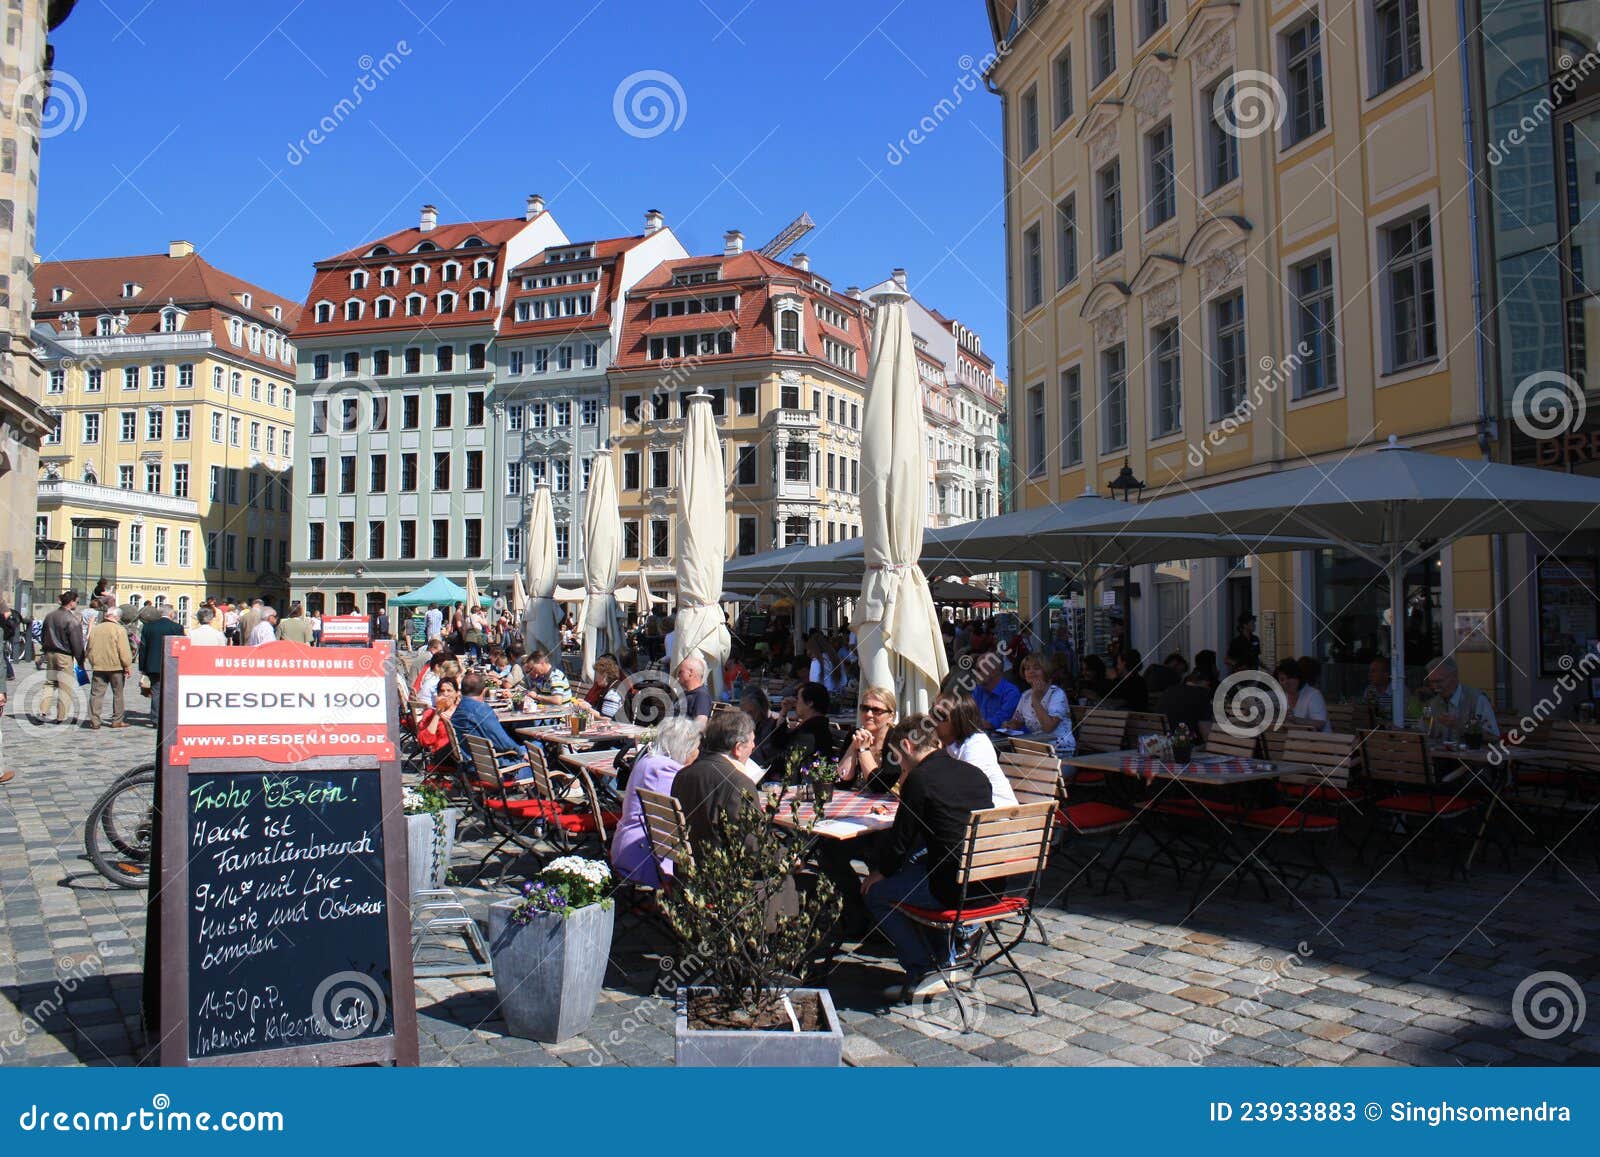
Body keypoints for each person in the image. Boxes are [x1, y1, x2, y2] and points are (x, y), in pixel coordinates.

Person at [863, 716, 999, 1001]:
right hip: (991, 884)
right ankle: (943, 961)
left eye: (897, 758)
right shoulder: (973, 774)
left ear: (906, 745)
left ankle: (924, 969)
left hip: (953, 889)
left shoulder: (920, 779)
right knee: (918, 870)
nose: (897, 764)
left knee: (876, 893)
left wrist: (880, 872)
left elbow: (900, 840)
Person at [611, 716, 701, 887]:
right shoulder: (668, 771)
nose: (697, 754)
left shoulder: (647, 761)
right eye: (695, 748)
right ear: (684, 747)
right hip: (648, 859)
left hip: (629, 847)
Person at [671, 710, 761, 851]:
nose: (754, 746)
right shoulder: (738, 782)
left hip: (686, 867)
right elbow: (752, 845)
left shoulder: (683, 774)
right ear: (738, 748)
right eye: (752, 741)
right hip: (722, 869)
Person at [932, 685, 1016, 806]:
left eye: (939, 715)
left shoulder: (975, 746)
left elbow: (964, 792)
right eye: (932, 711)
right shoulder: (948, 744)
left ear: (958, 720)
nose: (931, 719)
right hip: (971, 816)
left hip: (998, 818)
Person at [451, 672, 532, 775]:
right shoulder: (481, 709)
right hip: (492, 769)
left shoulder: (460, 708)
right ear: (484, 691)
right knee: (536, 747)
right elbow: (503, 743)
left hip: (470, 763)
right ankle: (551, 787)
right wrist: (521, 753)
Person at [1007, 655, 1075, 754]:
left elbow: (1048, 727)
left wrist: (1035, 699)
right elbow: (1017, 721)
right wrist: (1010, 725)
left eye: (1036, 668)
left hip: (1060, 752)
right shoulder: (1026, 695)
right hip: (1036, 750)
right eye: (1027, 668)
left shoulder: (1056, 694)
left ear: (1046, 671)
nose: (1031, 671)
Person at [1423, 657, 1499, 742]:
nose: (1435, 687)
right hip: (1440, 754)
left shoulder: (1476, 699)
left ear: (1454, 677)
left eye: (1439, 681)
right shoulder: (1434, 703)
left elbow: (1493, 737)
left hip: (1471, 755)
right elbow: (1422, 732)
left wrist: (1460, 726)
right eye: (1431, 682)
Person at [838, 685, 897, 788]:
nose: (869, 714)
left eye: (876, 710)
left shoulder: (896, 739)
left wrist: (863, 749)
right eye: (865, 708)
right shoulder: (854, 735)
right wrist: (854, 745)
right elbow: (841, 780)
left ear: (890, 716)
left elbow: (879, 785)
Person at [40, 590, 86, 724]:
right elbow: (77, 642)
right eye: (76, 602)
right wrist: (81, 660)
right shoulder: (71, 620)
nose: (77, 604)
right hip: (64, 655)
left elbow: (43, 635)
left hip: (50, 653)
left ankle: (43, 710)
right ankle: (61, 716)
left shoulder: (49, 616)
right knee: (64, 685)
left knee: (49, 683)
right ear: (71, 602)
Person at [85, 606, 133, 729]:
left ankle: (94, 720)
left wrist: (93, 662)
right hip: (116, 667)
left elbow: (89, 648)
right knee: (118, 694)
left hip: (99, 667)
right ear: (117, 617)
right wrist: (127, 665)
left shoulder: (95, 629)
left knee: (96, 694)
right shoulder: (119, 630)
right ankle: (117, 720)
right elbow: (124, 651)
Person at [138, 606, 185, 722]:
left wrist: (142, 667)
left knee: (156, 692)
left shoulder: (148, 627)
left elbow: (143, 648)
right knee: (170, 692)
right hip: (171, 665)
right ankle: (168, 718)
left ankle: (155, 719)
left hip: (153, 665)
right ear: (171, 614)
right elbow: (181, 648)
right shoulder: (177, 627)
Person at [776, 680, 837, 764]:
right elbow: (779, 740)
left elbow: (780, 745)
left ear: (809, 703)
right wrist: (783, 712)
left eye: (798, 699)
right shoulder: (810, 726)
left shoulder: (811, 731)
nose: (795, 702)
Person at [1159, 667, 1216, 737]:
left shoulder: (1169, 690)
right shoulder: (1201, 695)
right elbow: (1206, 732)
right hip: (1187, 742)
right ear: (1206, 682)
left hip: (1165, 739)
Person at [1274, 657, 1329, 730]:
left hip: (1319, 740)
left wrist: (1295, 719)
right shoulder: (1281, 696)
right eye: (1282, 679)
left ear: (1298, 677)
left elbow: (1320, 724)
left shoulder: (1313, 695)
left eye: (1290, 677)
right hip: (1293, 739)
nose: (1286, 682)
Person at [972, 654, 1021, 730]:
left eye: (979, 669)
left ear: (994, 672)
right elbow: (968, 715)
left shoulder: (1011, 693)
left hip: (1004, 740)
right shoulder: (978, 690)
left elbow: (995, 723)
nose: (975, 673)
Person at [740, 686, 785, 766]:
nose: (747, 717)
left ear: (761, 708)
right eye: (744, 712)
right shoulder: (746, 723)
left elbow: (771, 756)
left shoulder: (776, 722)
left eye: (751, 712)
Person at [414, 678, 460, 754]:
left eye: (449, 690)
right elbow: (425, 741)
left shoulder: (461, 712)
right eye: (442, 691)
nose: (445, 694)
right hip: (441, 756)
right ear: (438, 694)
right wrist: (437, 713)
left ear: (456, 694)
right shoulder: (430, 713)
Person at [674, 653, 713, 730]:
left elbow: (700, 725)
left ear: (691, 673)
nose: (678, 675)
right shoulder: (684, 694)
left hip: (681, 739)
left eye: (680, 672)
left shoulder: (701, 696)